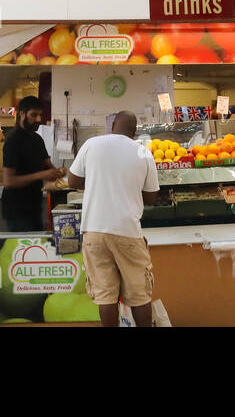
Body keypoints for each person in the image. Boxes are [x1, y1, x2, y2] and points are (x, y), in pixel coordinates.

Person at [67, 111, 160, 327]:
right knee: (139, 294)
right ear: (134, 131)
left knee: (105, 295)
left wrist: (95, 182)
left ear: (113, 125)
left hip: (94, 230)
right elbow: (151, 197)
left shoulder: (92, 144)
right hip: (127, 230)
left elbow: (72, 180)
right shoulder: (143, 152)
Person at [1, 96, 64, 233]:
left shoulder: (37, 139)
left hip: (34, 206)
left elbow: (48, 166)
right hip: (17, 209)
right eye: (33, 115)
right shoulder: (13, 141)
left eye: (40, 115)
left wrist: (59, 173)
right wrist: (42, 174)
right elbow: (8, 181)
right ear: (22, 114)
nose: (38, 119)